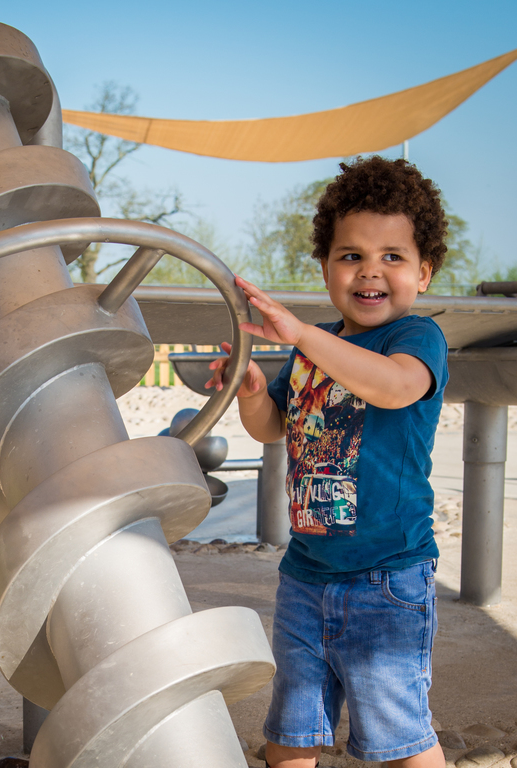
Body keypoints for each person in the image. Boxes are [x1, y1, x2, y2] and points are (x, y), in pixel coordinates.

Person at [208, 156, 449, 768]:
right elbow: (274, 429)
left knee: (398, 736)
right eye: (350, 256)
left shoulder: (415, 340)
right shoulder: (313, 349)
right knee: (291, 730)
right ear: (325, 267)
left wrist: (302, 337)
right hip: (306, 576)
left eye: (392, 257)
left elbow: (393, 388)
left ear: (424, 271)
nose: (370, 271)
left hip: (388, 578)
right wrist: (254, 391)